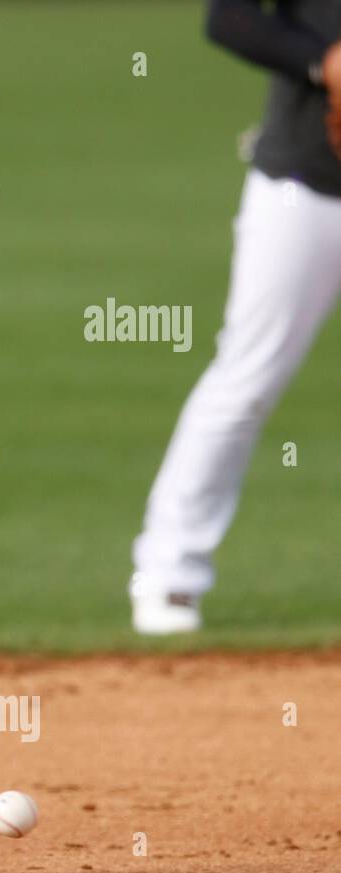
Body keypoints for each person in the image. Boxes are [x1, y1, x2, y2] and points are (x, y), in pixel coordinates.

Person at [130, 0, 341, 634]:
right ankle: (170, 576)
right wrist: (322, 60)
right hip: (304, 184)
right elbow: (229, 17)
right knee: (247, 378)